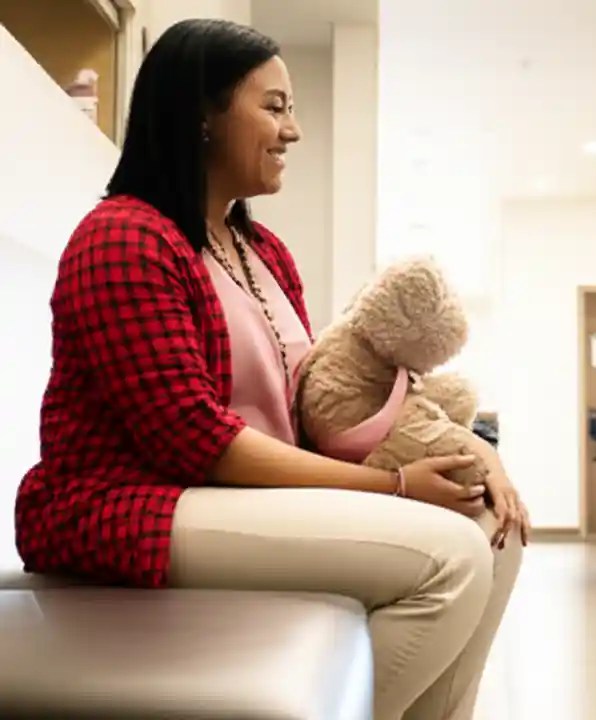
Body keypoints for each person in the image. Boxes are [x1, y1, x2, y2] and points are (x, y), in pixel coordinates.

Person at [13, 19, 529, 720]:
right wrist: (395, 487)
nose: (294, 131)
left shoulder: (263, 250)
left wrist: (472, 458)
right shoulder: (123, 238)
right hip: (133, 505)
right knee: (450, 559)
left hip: (232, 498)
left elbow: (321, 406)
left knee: (490, 529)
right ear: (202, 112)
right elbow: (191, 440)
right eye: (275, 107)